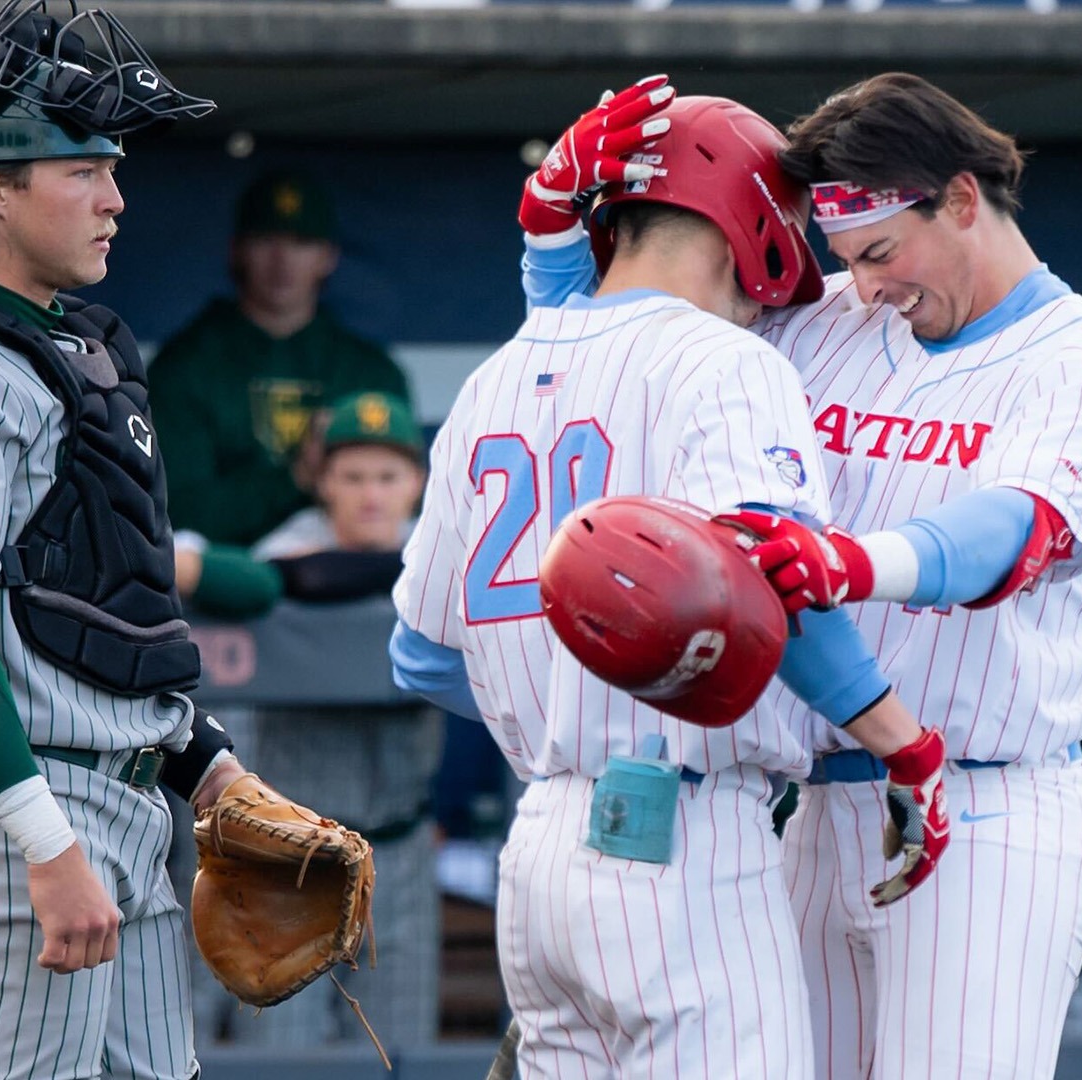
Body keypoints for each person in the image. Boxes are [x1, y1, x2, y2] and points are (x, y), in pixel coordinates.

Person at [523, 72, 1082, 1078]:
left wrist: (853, 561)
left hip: (987, 809)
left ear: (961, 199)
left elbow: (1011, 534)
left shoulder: (1081, 365)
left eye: (882, 253)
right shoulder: (825, 324)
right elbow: (613, 357)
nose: (865, 286)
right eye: (846, 257)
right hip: (812, 808)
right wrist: (552, 232)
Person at [393, 86, 949, 1078]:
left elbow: (423, 657)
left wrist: (565, 714)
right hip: (683, 837)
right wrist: (903, 743)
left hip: (541, 850)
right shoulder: (725, 362)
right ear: (753, 230)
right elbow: (776, 573)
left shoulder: (494, 377)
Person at [0, 3, 283, 1075]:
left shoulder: (73, 351)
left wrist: (209, 770)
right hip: (2, 811)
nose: (114, 198)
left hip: (119, 798)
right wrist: (45, 844)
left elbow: (96, 604)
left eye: (113, 169)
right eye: (82, 170)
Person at [177, 391, 444, 1052]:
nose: (371, 495)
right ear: (323, 481)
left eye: (387, 476)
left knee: (399, 1050)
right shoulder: (285, 549)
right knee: (284, 1054)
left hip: (398, 846)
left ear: (416, 482)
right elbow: (267, 583)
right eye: (352, 476)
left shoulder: (441, 557)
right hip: (291, 858)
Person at [150, 168, 408, 547]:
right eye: (265, 240)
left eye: (301, 242)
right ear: (237, 250)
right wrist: (296, 476)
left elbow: (403, 507)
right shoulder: (184, 367)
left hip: (346, 571)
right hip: (219, 574)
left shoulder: (370, 369)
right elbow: (175, 514)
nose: (282, 259)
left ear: (328, 256)